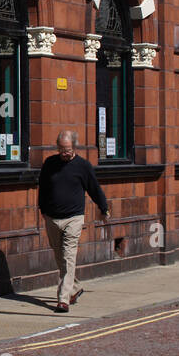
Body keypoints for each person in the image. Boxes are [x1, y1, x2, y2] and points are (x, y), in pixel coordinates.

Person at [38, 130, 110, 312]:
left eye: (68, 149)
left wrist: (104, 208)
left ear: (74, 147)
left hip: (74, 218)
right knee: (59, 256)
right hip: (52, 218)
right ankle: (74, 288)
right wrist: (43, 209)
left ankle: (63, 300)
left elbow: (94, 188)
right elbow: (43, 187)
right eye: (61, 149)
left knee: (69, 256)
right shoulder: (50, 164)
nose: (64, 153)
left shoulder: (83, 166)